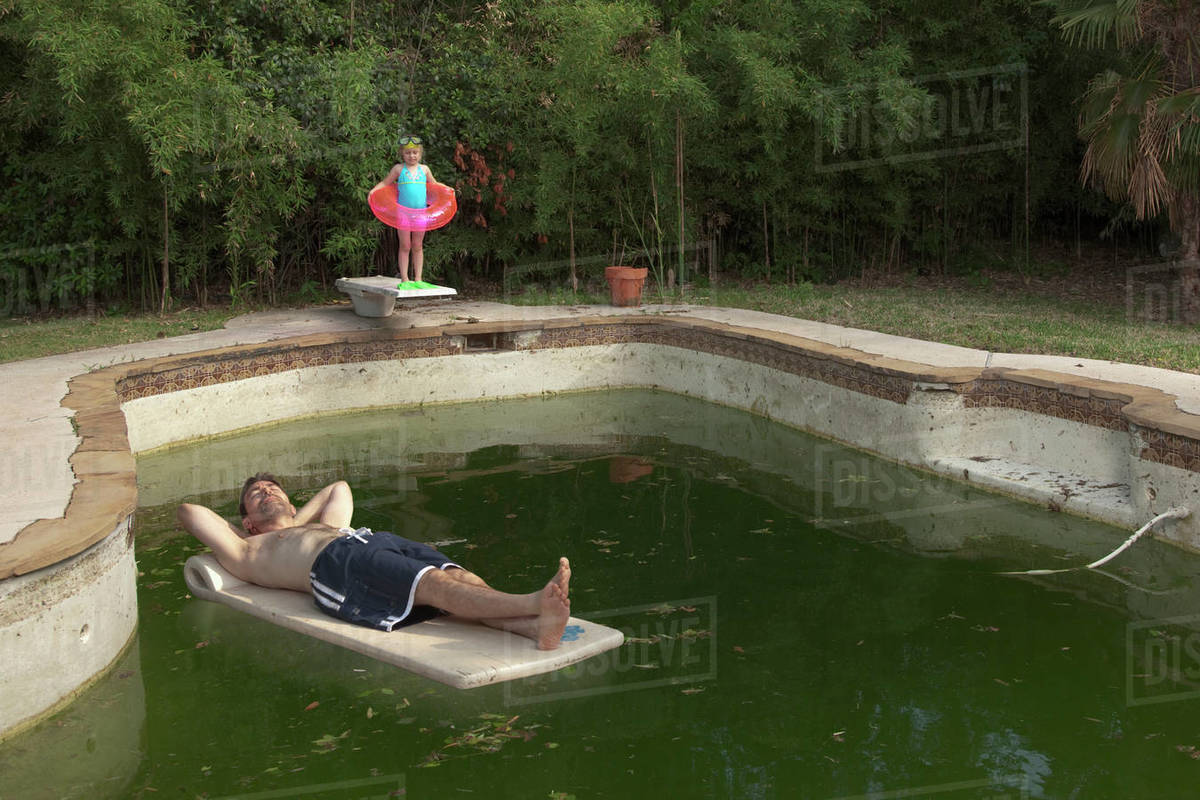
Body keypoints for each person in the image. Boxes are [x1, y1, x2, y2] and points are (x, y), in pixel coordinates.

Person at [177, 474, 572, 650]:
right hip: (336, 566)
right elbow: (189, 512)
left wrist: (294, 520)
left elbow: (339, 488)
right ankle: (531, 602)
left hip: (370, 540)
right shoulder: (248, 550)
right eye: (256, 494)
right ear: (246, 519)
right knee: (435, 585)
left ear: (292, 503)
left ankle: (534, 629)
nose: (266, 493)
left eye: (272, 488)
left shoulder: (317, 524)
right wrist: (259, 531)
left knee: (460, 576)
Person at [370, 135, 447, 283]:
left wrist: (448, 190)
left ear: (420, 153)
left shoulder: (424, 169)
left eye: (415, 152)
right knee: (405, 245)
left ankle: (418, 279)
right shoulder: (399, 169)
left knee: (417, 245)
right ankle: (405, 279)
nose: (412, 155)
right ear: (402, 154)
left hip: (420, 214)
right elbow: (385, 183)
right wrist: (373, 191)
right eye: (408, 153)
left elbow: (435, 185)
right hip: (403, 214)